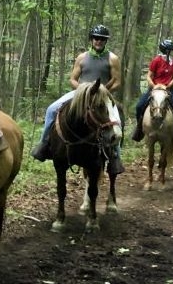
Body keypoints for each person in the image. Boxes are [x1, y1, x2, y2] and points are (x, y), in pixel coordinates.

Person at [30, 24, 125, 175]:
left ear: (105, 41)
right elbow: (73, 79)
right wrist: (82, 90)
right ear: (91, 39)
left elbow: (117, 81)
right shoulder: (82, 57)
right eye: (96, 38)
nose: (98, 41)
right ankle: (44, 143)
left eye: (102, 39)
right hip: (80, 94)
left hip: (103, 95)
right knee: (52, 109)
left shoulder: (113, 58)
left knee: (116, 121)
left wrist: (103, 91)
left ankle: (115, 157)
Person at [131, 39, 173, 143]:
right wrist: (154, 86)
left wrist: (168, 86)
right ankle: (139, 129)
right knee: (139, 106)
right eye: (172, 50)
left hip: (169, 89)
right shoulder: (156, 60)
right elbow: (149, 76)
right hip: (154, 88)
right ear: (166, 51)